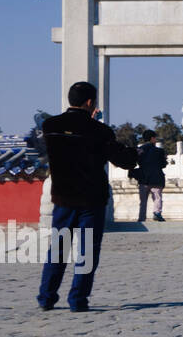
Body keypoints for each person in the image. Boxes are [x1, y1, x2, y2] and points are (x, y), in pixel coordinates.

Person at [36, 81, 139, 312]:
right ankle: (78, 299)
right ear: (90, 102)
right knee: (87, 251)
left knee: (57, 248)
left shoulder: (50, 125)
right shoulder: (100, 131)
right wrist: (134, 152)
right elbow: (123, 160)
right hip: (91, 200)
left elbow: (43, 155)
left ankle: (46, 297)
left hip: (62, 197)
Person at [135, 129, 168, 222]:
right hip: (156, 178)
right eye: (155, 138)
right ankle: (157, 213)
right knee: (157, 197)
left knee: (143, 201)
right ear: (152, 138)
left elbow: (137, 161)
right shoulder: (160, 151)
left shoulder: (139, 150)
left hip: (143, 178)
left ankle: (141, 218)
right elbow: (163, 164)